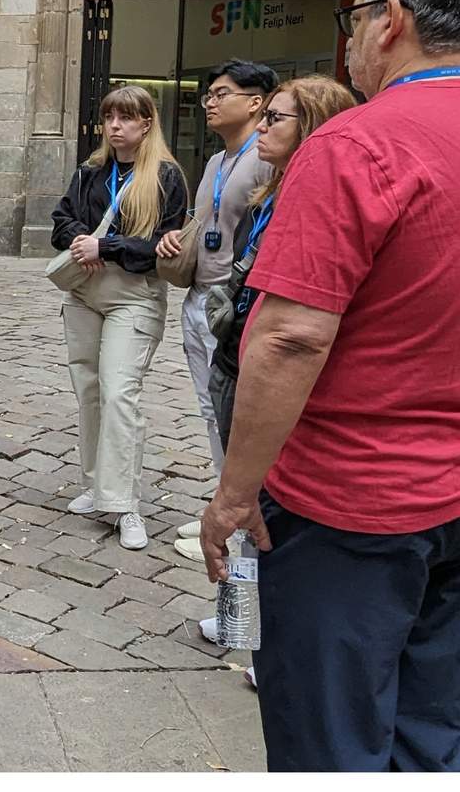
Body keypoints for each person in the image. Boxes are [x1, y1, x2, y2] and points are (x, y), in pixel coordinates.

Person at [200, 0, 460, 770]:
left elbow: (289, 337)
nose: (347, 38)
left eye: (350, 18)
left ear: (389, 20)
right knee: (433, 732)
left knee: (329, 740)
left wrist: (234, 492)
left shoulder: (357, 141)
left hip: (351, 501)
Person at [188, 76, 357, 672]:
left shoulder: (312, 199)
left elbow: (298, 331)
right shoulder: (269, 188)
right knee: (242, 484)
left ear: (309, 126)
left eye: (276, 119)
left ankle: (265, 640)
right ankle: (244, 614)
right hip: (234, 354)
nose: (261, 126)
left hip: (262, 366)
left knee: (262, 499)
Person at [51, 85, 189, 551]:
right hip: (85, 291)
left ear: (146, 124)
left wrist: (104, 246)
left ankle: (125, 502)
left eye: (126, 118)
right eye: (109, 117)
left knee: (119, 393)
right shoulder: (91, 171)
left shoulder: (166, 177)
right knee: (88, 388)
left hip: (134, 294)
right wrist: (78, 241)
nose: (115, 126)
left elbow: (167, 247)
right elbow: (61, 219)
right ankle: (96, 486)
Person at [156, 60, 276, 563]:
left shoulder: (266, 159)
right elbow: (202, 221)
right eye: (208, 93)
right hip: (200, 298)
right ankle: (222, 500)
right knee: (210, 411)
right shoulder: (214, 162)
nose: (209, 101)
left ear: (255, 102)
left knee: (235, 412)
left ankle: (243, 512)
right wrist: (173, 237)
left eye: (221, 92)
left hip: (236, 306)